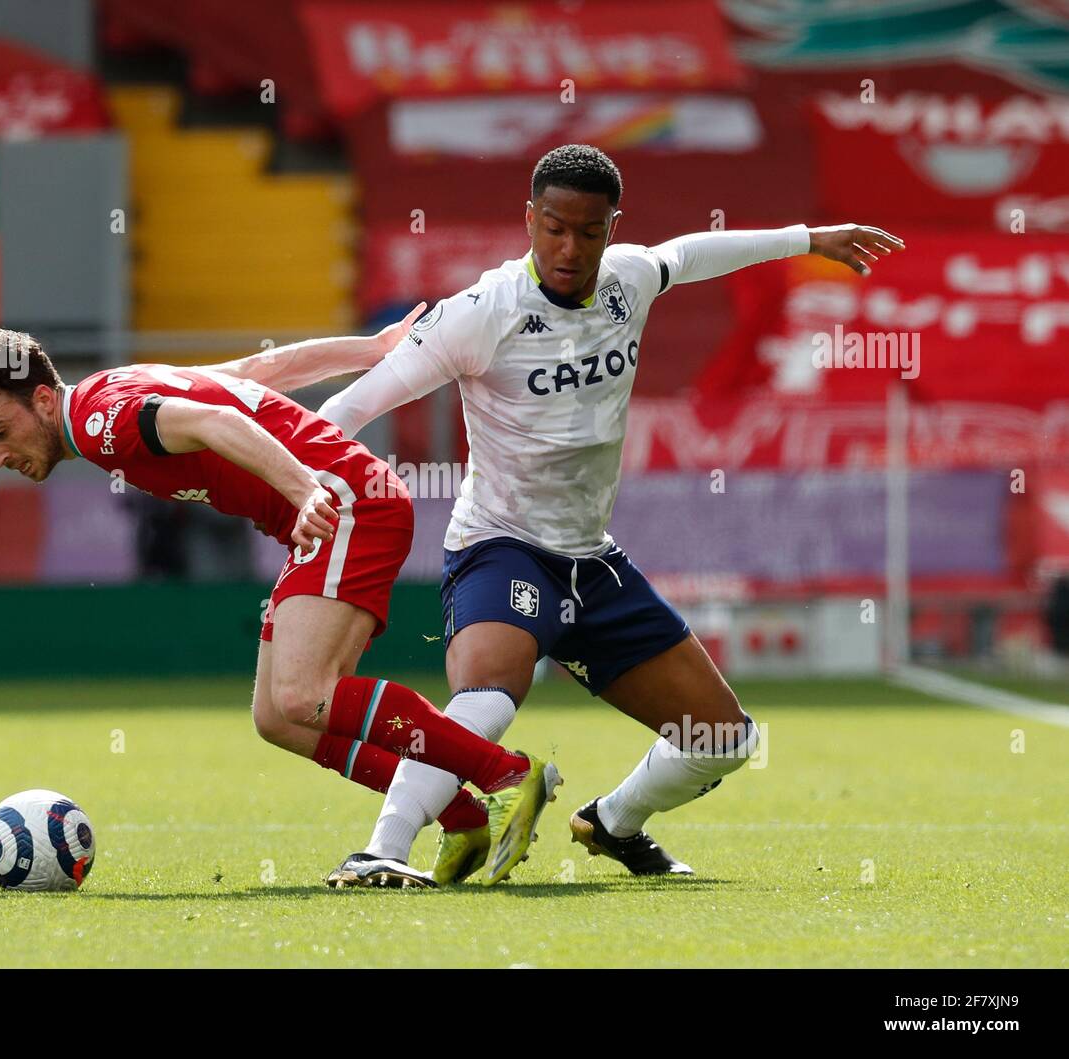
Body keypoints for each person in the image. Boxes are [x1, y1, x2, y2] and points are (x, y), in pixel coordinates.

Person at [317, 143, 905, 886]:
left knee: (721, 739)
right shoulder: (481, 313)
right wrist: (309, 481)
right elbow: (353, 403)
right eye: (554, 228)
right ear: (529, 219)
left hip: (592, 562)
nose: (570, 248)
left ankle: (613, 823)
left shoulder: (628, 279)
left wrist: (807, 240)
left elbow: (688, 253)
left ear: (611, 227)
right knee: (490, 699)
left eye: (589, 233)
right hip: (502, 547)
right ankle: (383, 850)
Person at [0, 318, 563, 887]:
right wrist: (367, 350)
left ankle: (505, 773)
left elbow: (220, 422)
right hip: (331, 508)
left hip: (344, 504)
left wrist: (304, 489)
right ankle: (461, 818)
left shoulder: (103, 424)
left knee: (305, 692)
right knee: (279, 717)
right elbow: (256, 374)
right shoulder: (113, 386)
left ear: (42, 400)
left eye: (0, 432)